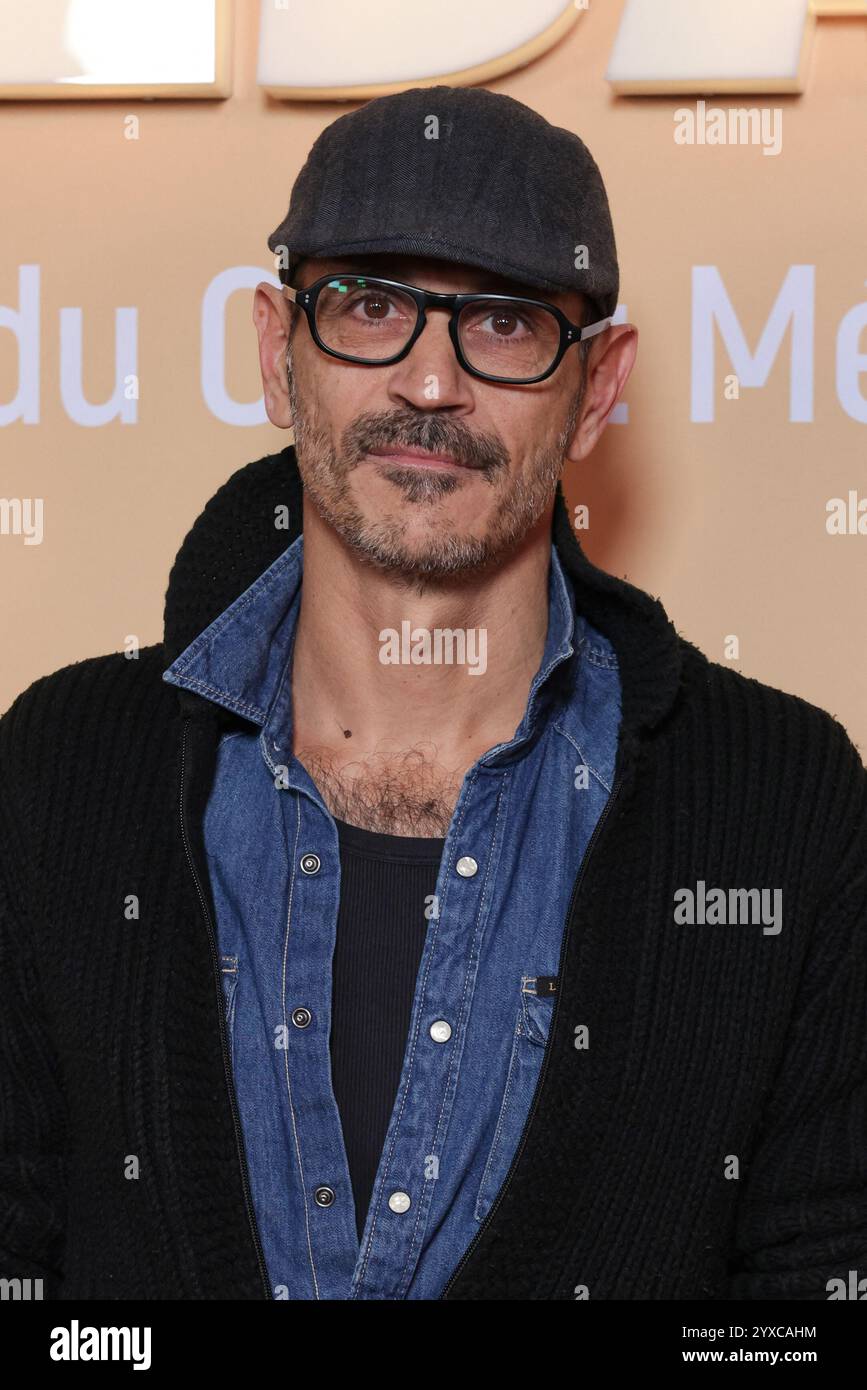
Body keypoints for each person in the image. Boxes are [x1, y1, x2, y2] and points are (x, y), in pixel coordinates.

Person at [1, 86, 864, 1302]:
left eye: (504, 323)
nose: (426, 384)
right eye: (367, 305)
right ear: (273, 352)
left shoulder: (782, 802)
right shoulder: (64, 766)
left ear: (600, 382)